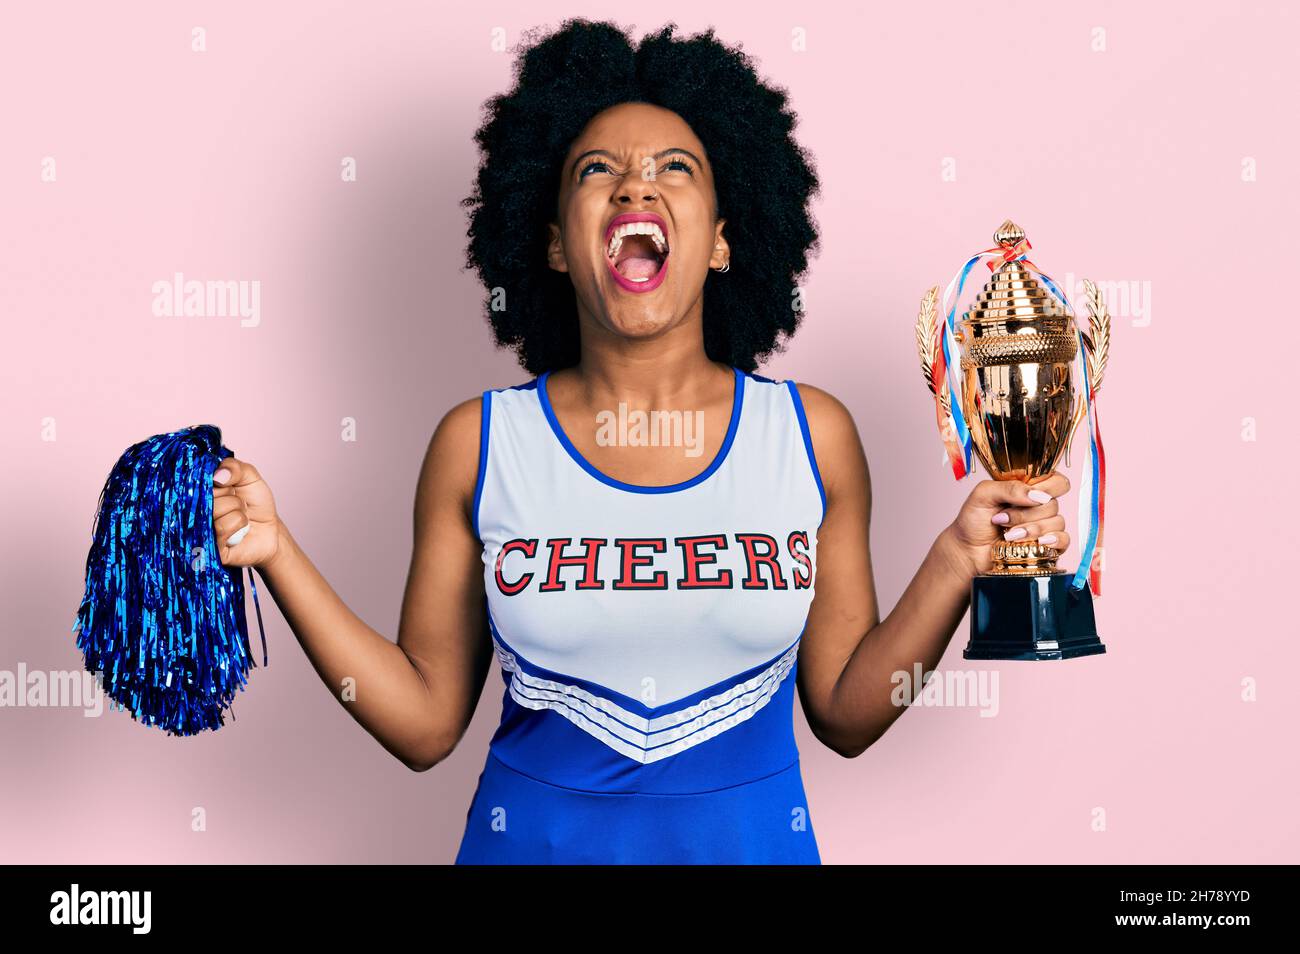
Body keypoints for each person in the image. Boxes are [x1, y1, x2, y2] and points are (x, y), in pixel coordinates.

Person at [210, 19, 1072, 864]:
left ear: (726, 238)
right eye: (597, 171)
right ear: (550, 242)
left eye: (675, 168)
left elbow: (848, 712)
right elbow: (427, 723)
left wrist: (959, 561)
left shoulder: (811, 436)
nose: (635, 187)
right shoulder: (479, 444)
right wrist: (277, 551)